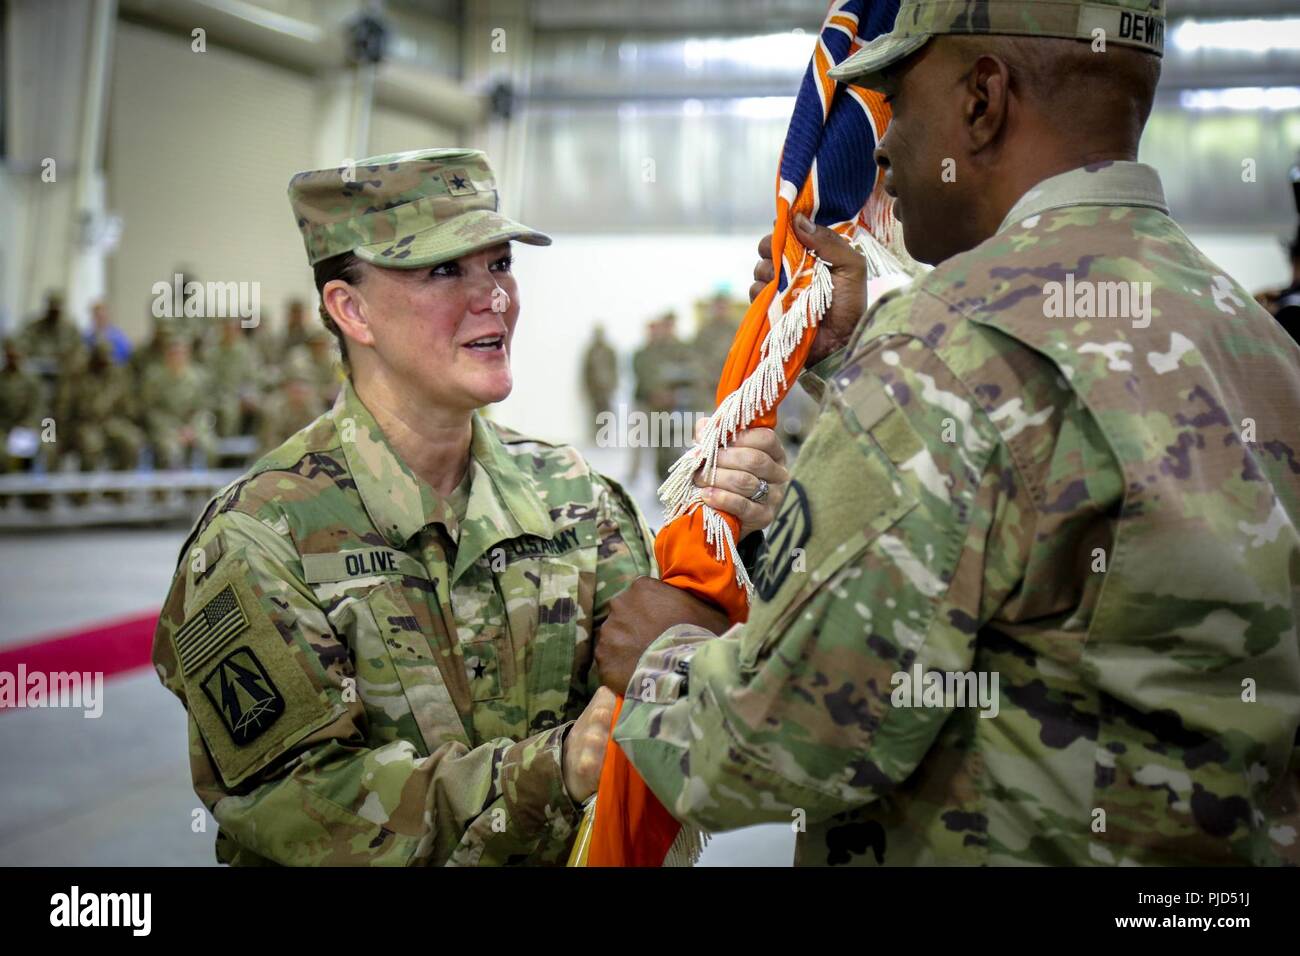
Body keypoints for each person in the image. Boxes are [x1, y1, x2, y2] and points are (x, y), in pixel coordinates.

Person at [599, 0, 1300, 866]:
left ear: (983, 100)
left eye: (899, 101)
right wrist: (862, 357)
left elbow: (786, 748)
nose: (882, 146)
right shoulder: (1257, 339)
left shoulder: (947, 344)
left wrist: (663, 656)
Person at [150, 147, 789, 866]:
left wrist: (742, 548)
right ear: (351, 309)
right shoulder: (258, 537)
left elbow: (673, 692)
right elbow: (301, 808)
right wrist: (559, 768)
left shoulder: (572, 496)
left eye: (500, 264)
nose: (495, 297)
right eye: (445, 270)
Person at [581, 324, 618, 440]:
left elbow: (614, 368)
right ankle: (596, 436)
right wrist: (588, 388)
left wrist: (613, 385)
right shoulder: (590, 351)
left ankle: (605, 436)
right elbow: (586, 371)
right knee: (594, 413)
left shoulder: (609, 351)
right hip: (594, 390)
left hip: (606, 389)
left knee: (606, 413)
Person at [83, 300, 133, 365]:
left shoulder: (118, 337)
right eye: (98, 316)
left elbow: (128, 356)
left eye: (102, 316)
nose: (100, 319)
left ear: (107, 316)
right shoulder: (88, 338)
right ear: (93, 318)